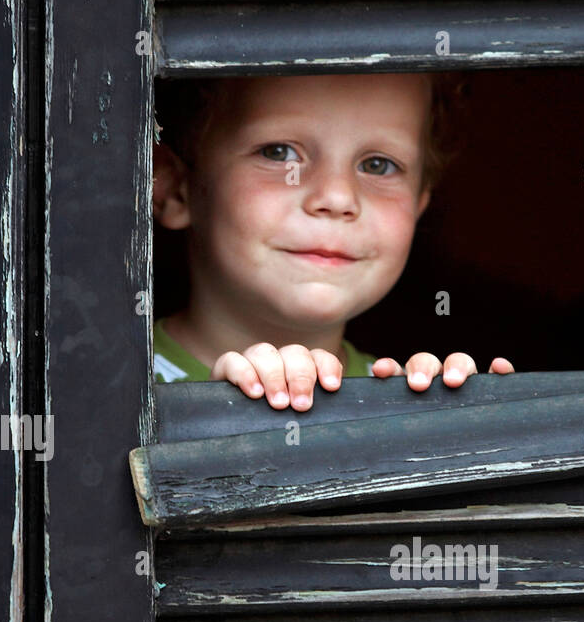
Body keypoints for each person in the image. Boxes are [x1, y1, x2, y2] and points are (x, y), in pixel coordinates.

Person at [152, 71, 514, 411]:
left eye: (378, 165)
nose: (338, 198)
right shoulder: (111, 381)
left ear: (419, 206)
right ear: (173, 189)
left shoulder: (399, 395)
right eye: (279, 152)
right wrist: (218, 416)